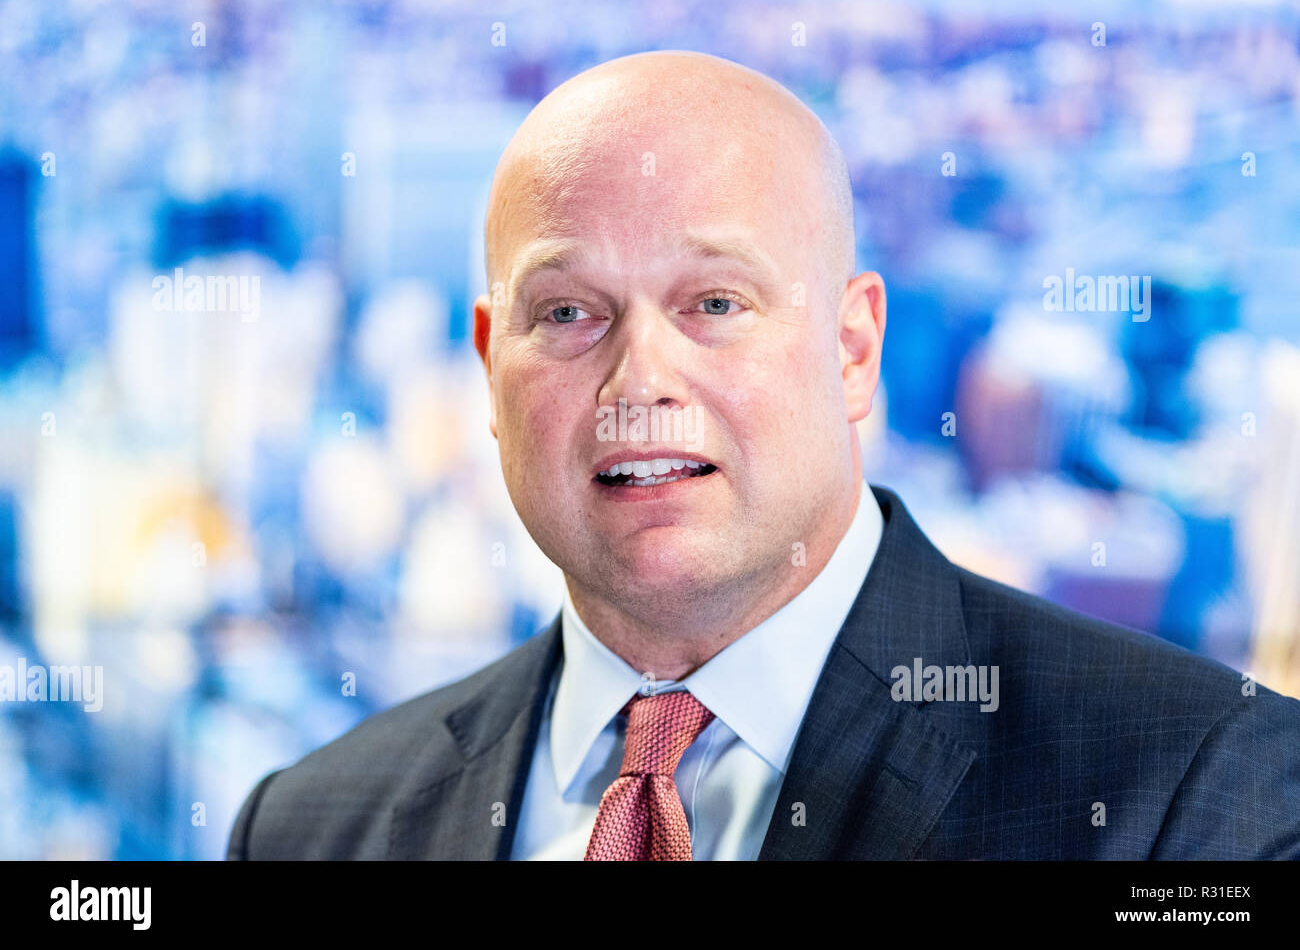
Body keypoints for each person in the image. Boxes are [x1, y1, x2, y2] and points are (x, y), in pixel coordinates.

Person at [227, 49, 1300, 860]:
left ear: (851, 349)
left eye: (715, 302)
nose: (639, 378)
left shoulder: (1200, 792)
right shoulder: (309, 828)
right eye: (565, 312)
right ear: (488, 367)